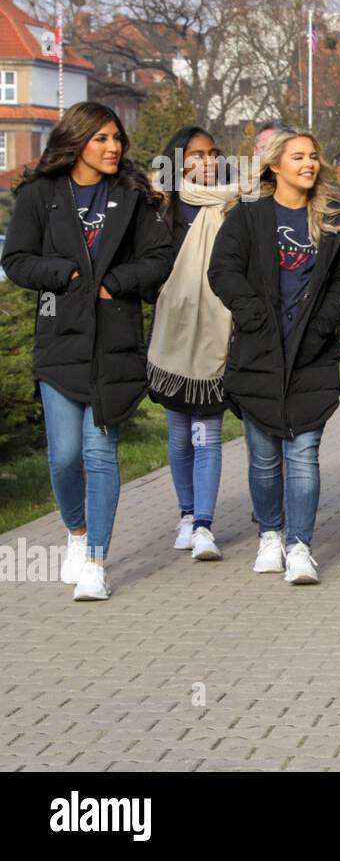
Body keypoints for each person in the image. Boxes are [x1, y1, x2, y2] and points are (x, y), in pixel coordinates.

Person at [1, 101, 174, 601]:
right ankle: (75, 532)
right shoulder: (41, 193)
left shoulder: (132, 195)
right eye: (101, 138)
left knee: (100, 455)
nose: (113, 147)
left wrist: (114, 283)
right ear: (76, 141)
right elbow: (16, 260)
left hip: (115, 344)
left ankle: (96, 561)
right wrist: (68, 275)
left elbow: (160, 257)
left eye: (117, 137)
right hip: (60, 341)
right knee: (64, 457)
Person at [208, 128, 340, 585]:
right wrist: (253, 315)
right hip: (258, 351)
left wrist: (324, 325)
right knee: (262, 457)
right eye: (298, 156)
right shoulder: (249, 216)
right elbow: (223, 271)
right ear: (275, 165)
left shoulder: (335, 219)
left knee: (304, 453)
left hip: (312, 354)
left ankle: (300, 546)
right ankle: (270, 535)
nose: (309, 164)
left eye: (313, 156)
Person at [146, 126, 241, 562]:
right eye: (195, 154)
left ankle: (204, 524)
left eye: (212, 153)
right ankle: (186, 515)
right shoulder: (159, 206)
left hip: (218, 327)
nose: (205, 161)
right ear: (177, 159)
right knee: (180, 435)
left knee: (208, 432)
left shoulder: (234, 204)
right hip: (172, 329)